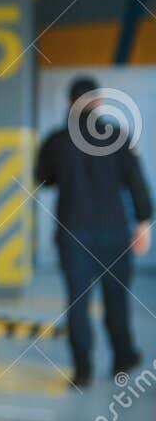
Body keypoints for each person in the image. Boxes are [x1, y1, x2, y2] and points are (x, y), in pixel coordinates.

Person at [34, 75, 153, 386]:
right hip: (114, 234)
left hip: (73, 235)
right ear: (99, 102)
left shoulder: (56, 141)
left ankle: (83, 370)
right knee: (116, 299)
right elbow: (136, 183)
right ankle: (122, 359)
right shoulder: (117, 137)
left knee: (77, 302)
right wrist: (143, 224)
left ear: (70, 104)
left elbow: (43, 179)